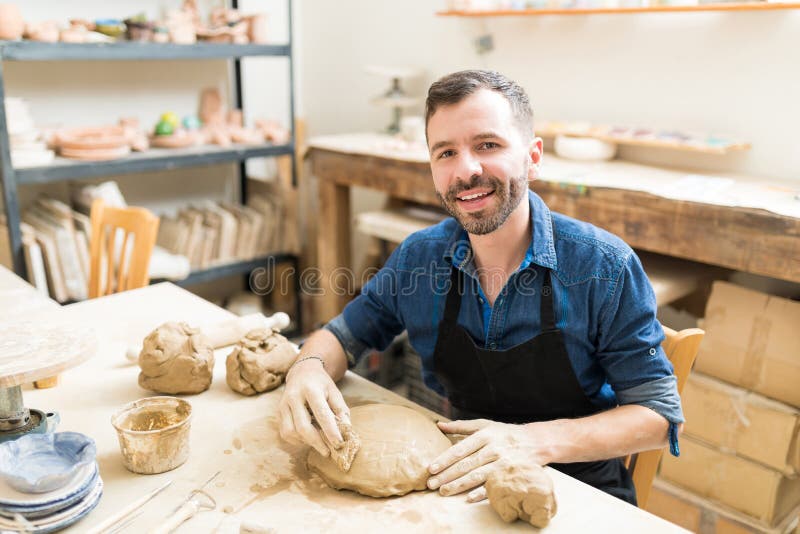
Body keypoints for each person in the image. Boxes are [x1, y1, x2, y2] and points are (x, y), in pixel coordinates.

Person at [279, 69, 684, 506]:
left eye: (487, 145)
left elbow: (658, 416)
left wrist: (532, 442)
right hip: (462, 481)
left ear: (532, 156)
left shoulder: (604, 267)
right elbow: (343, 335)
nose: (465, 171)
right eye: (446, 153)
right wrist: (308, 368)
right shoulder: (420, 259)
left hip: (580, 490)